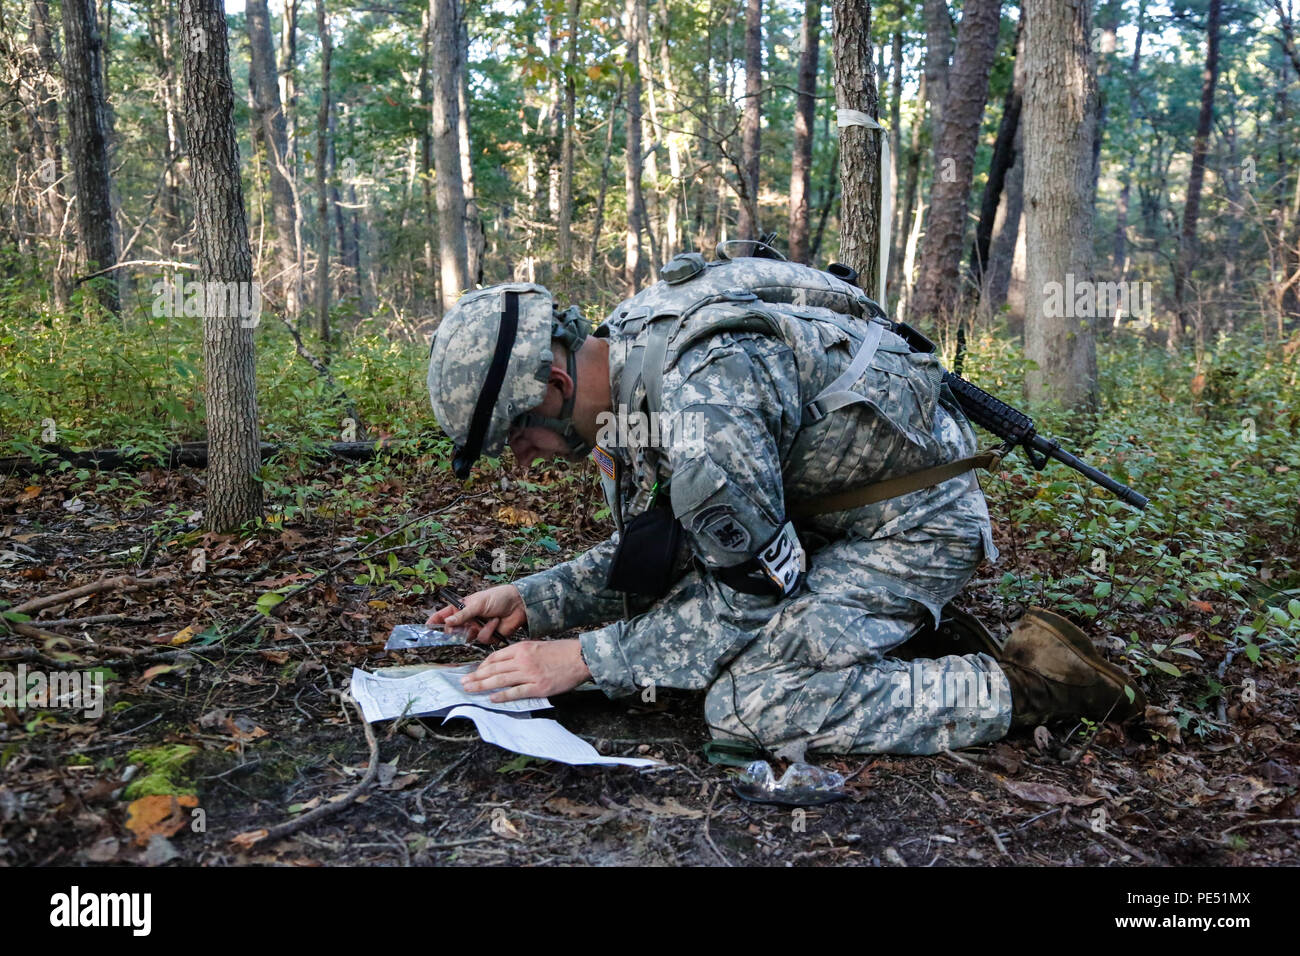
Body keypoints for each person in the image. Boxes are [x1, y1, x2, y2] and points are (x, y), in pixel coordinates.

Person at [423, 250, 1144, 757]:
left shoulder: (703, 397)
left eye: (514, 437)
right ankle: (875, 635)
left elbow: (748, 597)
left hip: (913, 531)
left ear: (551, 384)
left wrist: (581, 658)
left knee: (751, 705)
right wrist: (534, 600)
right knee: (683, 623)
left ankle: (1038, 683)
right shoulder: (631, 352)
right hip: (826, 519)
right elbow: (669, 544)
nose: (520, 462)